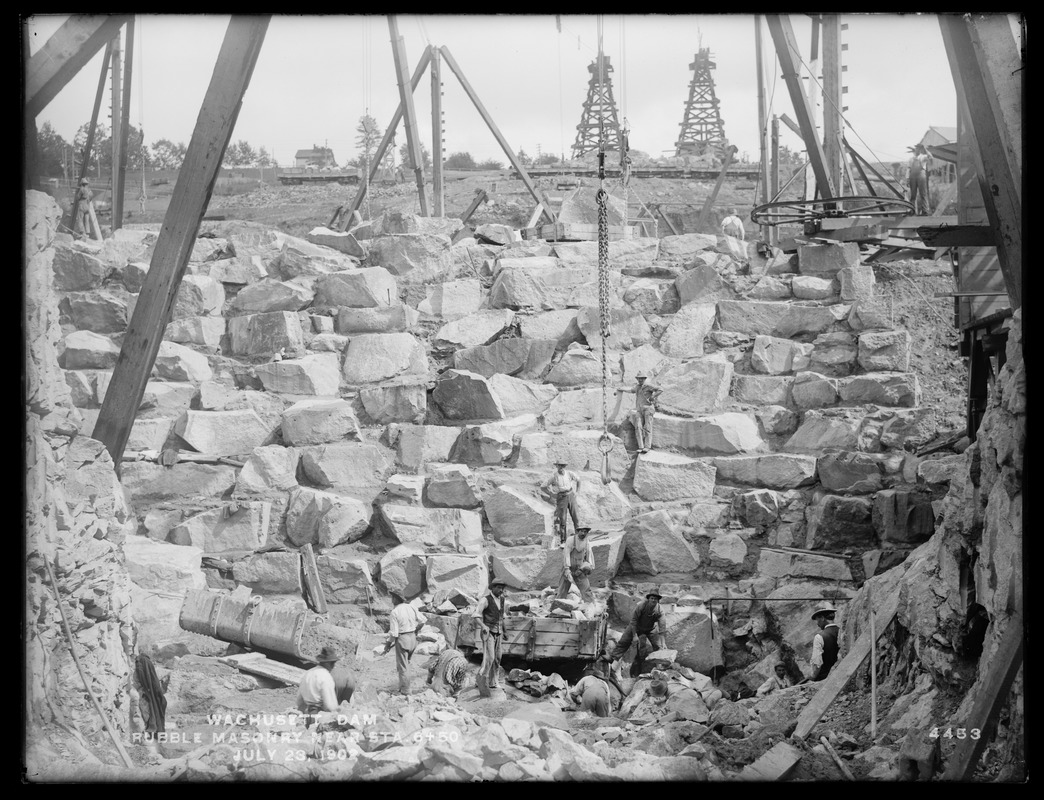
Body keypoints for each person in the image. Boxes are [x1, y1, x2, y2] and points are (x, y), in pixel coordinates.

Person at [609, 591, 668, 677]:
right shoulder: (641, 606)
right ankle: (611, 664)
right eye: (651, 598)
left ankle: (660, 669)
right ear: (648, 599)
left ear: (658, 600)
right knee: (623, 642)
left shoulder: (660, 610)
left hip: (651, 629)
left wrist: (663, 642)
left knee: (659, 646)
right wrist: (634, 635)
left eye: (655, 599)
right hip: (636, 626)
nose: (653, 600)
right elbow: (633, 621)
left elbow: (662, 628)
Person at [476, 578, 508, 690]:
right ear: (493, 588)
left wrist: (505, 631)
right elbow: (476, 615)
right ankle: (481, 679)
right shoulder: (485, 600)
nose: (501, 590)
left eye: (502, 588)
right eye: (499, 588)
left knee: (498, 658)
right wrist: (483, 626)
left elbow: (502, 617)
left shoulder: (502, 600)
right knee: (489, 658)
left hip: (498, 632)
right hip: (488, 632)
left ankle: (493, 682)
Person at [616, 374, 660, 452]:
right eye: (639, 379)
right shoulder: (637, 387)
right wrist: (621, 389)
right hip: (639, 410)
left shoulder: (648, 386)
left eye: (642, 379)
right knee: (638, 427)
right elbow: (631, 390)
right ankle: (641, 447)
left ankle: (647, 446)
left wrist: (653, 397)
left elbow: (660, 389)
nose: (640, 380)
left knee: (647, 427)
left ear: (644, 379)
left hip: (648, 409)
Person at [388, 593, 421, 695]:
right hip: (413, 638)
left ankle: (406, 690)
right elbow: (423, 620)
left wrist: (387, 645)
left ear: (396, 599)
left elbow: (394, 633)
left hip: (403, 639)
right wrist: (415, 630)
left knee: (403, 666)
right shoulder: (411, 607)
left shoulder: (395, 612)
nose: (391, 600)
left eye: (392, 598)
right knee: (407, 663)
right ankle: (403, 686)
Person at [542, 461, 582, 543]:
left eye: (563, 466)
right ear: (556, 466)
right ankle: (563, 541)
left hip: (571, 495)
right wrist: (551, 494)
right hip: (561, 497)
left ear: (565, 466)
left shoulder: (569, 474)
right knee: (562, 520)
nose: (561, 467)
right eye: (559, 466)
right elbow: (543, 486)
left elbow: (578, 480)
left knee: (576, 517)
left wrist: (577, 492)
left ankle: (579, 538)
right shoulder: (554, 476)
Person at [297, 646, 341, 714]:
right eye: (332, 663)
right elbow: (329, 706)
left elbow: (299, 700)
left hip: (305, 711)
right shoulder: (326, 677)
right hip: (318, 713)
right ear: (327, 663)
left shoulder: (308, 673)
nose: (333, 666)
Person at [557, 526, 595, 602]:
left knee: (586, 590)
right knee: (562, 591)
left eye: (585, 532)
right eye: (582, 531)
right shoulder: (571, 540)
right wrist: (567, 569)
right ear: (578, 531)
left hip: (579, 569)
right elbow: (566, 554)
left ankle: (591, 606)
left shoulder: (587, 542)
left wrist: (585, 568)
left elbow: (589, 557)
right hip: (568, 568)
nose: (583, 533)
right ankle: (558, 606)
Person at [810, 604, 841, 681]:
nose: (817, 623)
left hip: (824, 679)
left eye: (817, 620)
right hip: (840, 676)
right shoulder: (842, 631)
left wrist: (812, 677)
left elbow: (817, 664)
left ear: (822, 618)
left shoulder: (819, 637)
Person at [908, 144, 933, 215]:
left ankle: (925, 211)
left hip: (921, 175)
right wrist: (907, 178)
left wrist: (925, 149)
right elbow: (909, 168)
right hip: (912, 176)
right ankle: (912, 210)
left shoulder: (923, 157)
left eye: (919, 148)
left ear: (921, 150)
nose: (917, 150)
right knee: (913, 194)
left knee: (923, 193)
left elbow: (931, 158)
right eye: (916, 148)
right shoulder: (911, 158)